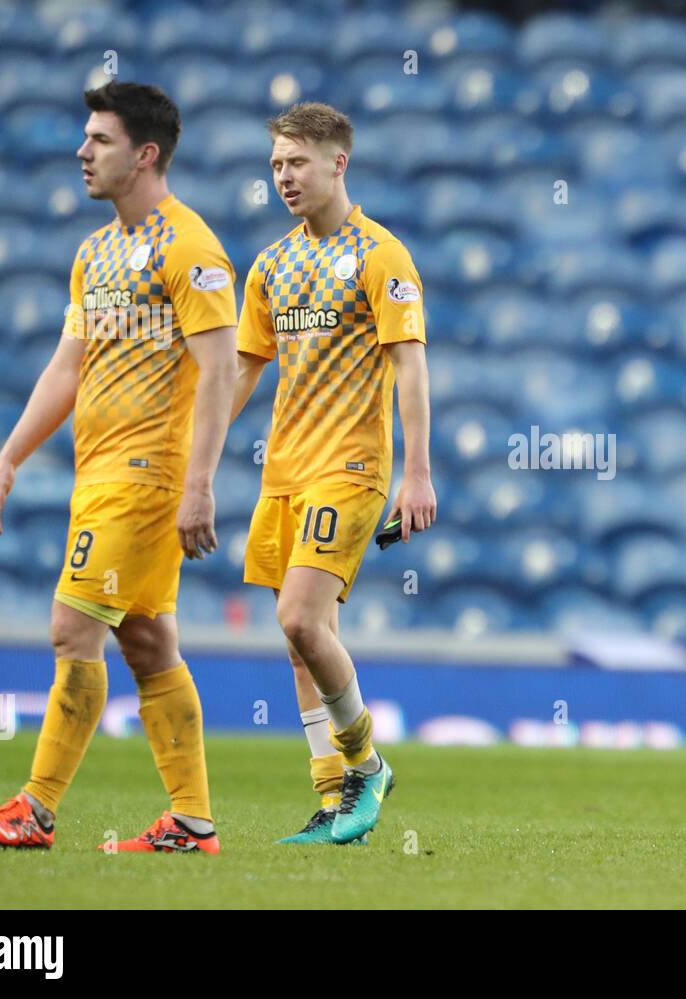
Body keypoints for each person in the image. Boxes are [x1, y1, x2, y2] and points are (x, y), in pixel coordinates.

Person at [0, 81, 238, 853]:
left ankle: (36, 808)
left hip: (147, 477)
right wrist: (11, 455)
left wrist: (199, 485)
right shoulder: (96, 253)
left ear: (145, 154)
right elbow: (66, 367)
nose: (81, 152)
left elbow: (219, 369)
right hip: (99, 474)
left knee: (70, 627)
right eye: (85, 138)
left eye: (100, 140)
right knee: (147, 644)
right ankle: (191, 822)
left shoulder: (191, 248)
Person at [230, 102, 435, 845]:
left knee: (300, 618)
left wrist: (418, 474)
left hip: (351, 467)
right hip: (283, 472)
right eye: (277, 163)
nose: (284, 176)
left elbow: (410, 366)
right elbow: (242, 371)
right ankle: (334, 794)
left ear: (338, 163)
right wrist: (191, 458)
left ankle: (367, 765)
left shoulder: (381, 254)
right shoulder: (271, 265)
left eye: (298, 163)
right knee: (298, 639)